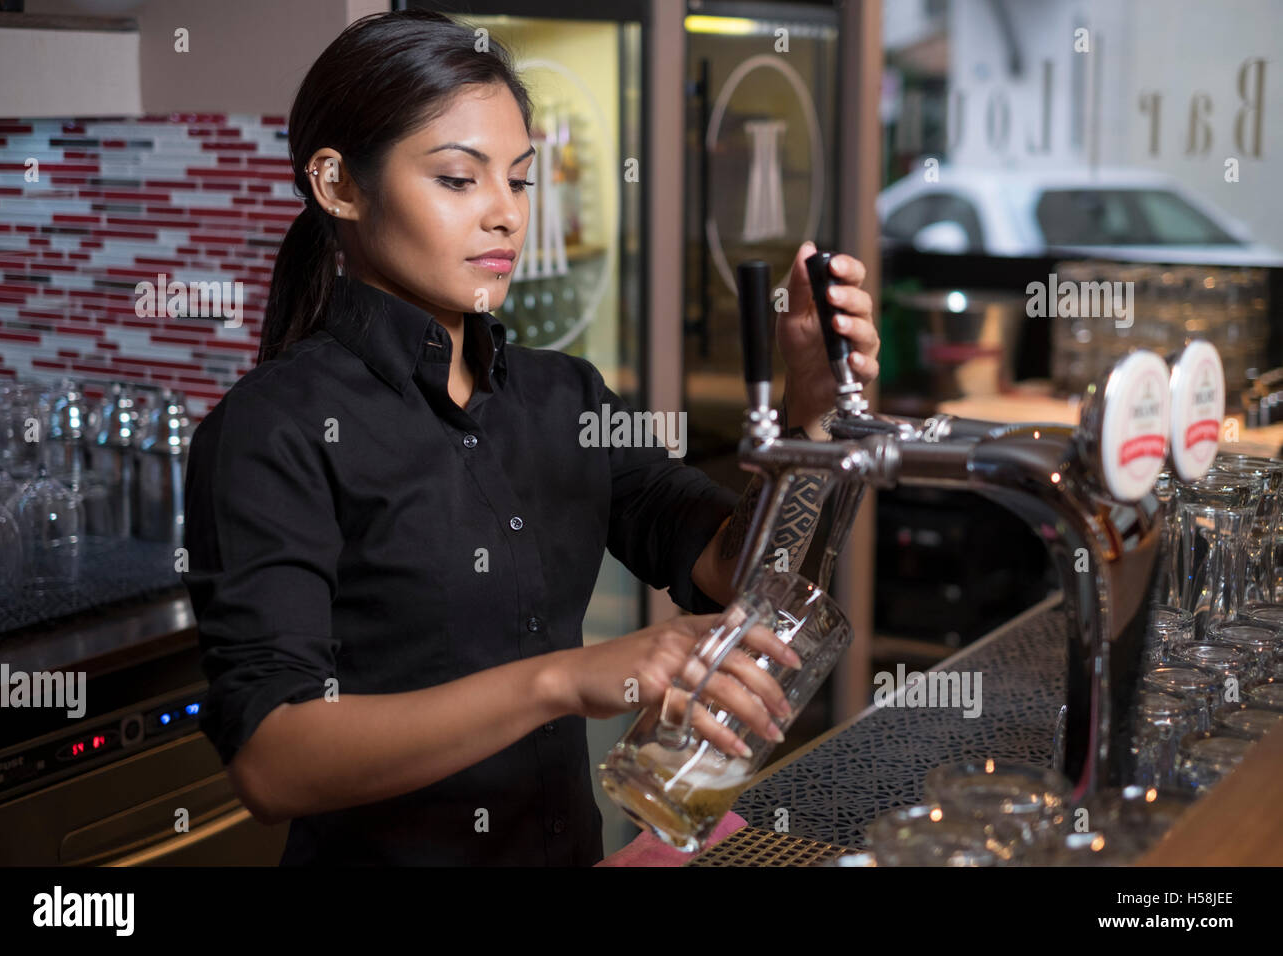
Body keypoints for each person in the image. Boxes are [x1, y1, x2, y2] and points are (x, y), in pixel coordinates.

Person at [181, 8, 879, 866]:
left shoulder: (563, 397)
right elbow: (271, 759)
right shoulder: (272, 430)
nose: (506, 216)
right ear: (339, 185)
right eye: (458, 179)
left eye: (518, 180)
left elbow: (739, 573)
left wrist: (813, 418)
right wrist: (564, 680)